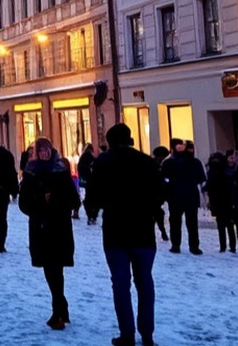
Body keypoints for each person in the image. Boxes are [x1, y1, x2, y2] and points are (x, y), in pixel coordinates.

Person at [84, 123, 162, 346]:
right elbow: (160, 193)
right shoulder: (146, 162)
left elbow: (93, 196)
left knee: (120, 284)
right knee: (145, 282)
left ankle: (127, 333)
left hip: (115, 231)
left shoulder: (102, 163)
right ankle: (147, 333)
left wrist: (93, 210)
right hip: (143, 231)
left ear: (109, 140)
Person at [18, 137, 80, 330]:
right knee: (50, 269)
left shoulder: (61, 170)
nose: (44, 153)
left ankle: (59, 309)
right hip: (40, 227)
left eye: (46, 149)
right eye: (40, 150)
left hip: (59, 226)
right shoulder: (31, 172)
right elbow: (24, 203)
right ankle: (60, 306)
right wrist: (39, 204)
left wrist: (55, 203)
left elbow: (74, 199)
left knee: (56, 269)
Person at [161, 138, 206, 254]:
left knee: (188, 222)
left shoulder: (192, 162)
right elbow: (164, 179)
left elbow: (201, 178)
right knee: (180, 221)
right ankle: (179, 245)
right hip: (178, 195)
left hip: (183, 194)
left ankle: (188, 245)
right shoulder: (170, 162)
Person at [205, 150, 237, 253]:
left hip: (218, 201)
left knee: (222, 225)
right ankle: (231, 246)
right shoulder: (225, 174)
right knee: (228, 224)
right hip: (225, 200)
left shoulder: (212, 173)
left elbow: (208, 188)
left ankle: (224, 246)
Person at [150, 145, 171, 242]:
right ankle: (162, 232)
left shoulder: (163, 164)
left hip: (159, 193)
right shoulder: (153, 165)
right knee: (156, 213)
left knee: (157, 213)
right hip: (153, 193)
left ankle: (162, 232)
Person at [78, 142, 97, 223]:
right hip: (92, 180)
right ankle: (93, 216)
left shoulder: (83, 157)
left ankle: (90, 216)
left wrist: (83, 176)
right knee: (93, 198)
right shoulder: (91, 157)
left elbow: (80, 167)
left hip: (87, 180)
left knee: (87, 198)